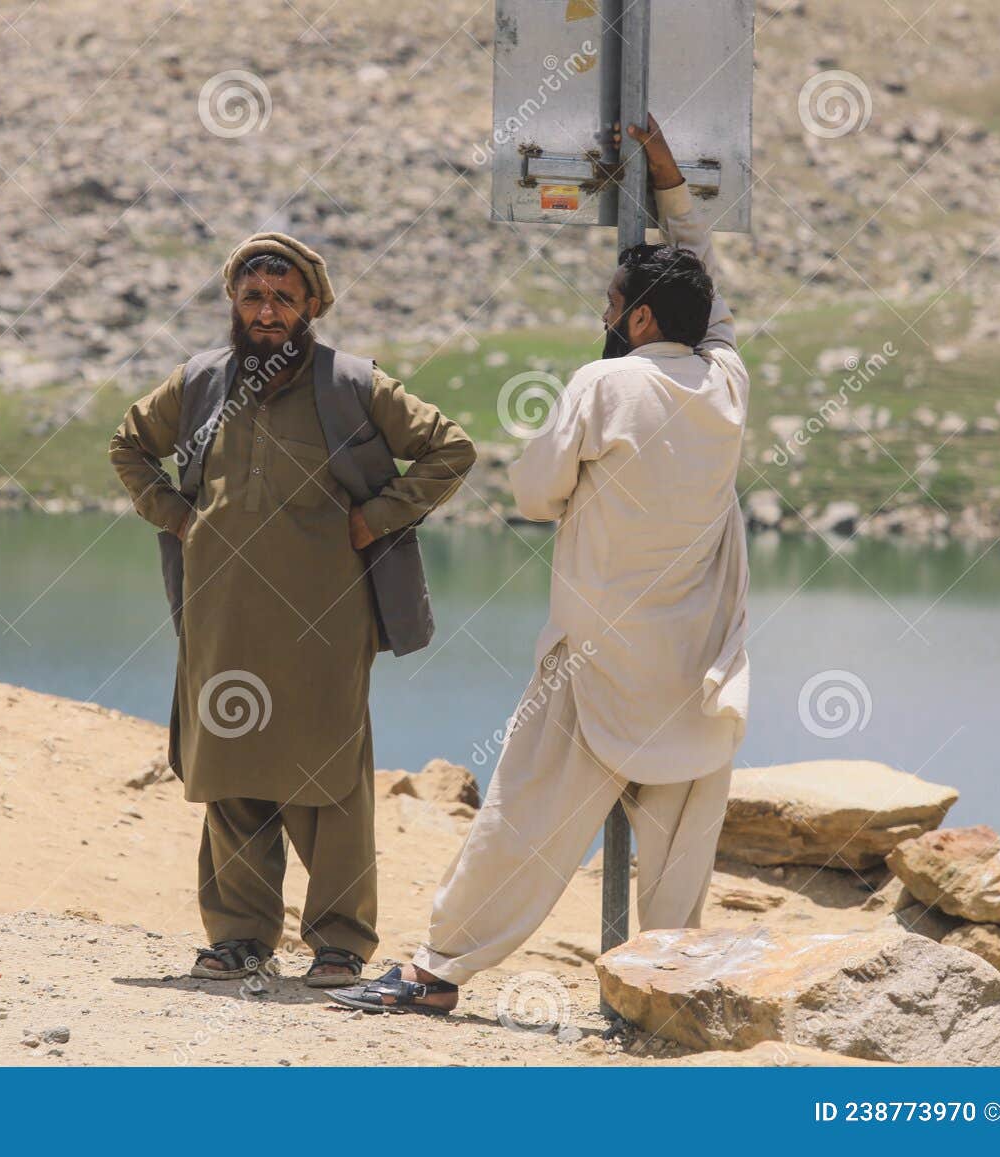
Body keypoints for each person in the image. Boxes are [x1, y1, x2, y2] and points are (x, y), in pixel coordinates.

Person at [332, 113, 749, 1014]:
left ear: (636, 318)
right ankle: (662, 1000)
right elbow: (704, 280)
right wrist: (669, 181)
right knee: (679, 856)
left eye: (612, 304)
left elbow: (533, 491)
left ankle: (435, 970)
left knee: (523, 821)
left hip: (596, 658)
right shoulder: (726, 381)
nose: (605, 315)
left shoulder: (605, 383)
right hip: (698, 666)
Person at [108, 232, 475, 987]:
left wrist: (377, 516)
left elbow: (451, 450)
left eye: (282, 298)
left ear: (311, 304)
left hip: (327, 617)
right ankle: (240, 937)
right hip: (222, 615)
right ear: (233, 306)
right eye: (253, 298)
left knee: (328, 772)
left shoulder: (353, 383)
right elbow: (128, 445)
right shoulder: (200, 381)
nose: (267, 311)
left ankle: (339, 943)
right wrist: (175, 515)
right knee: (232, 767)